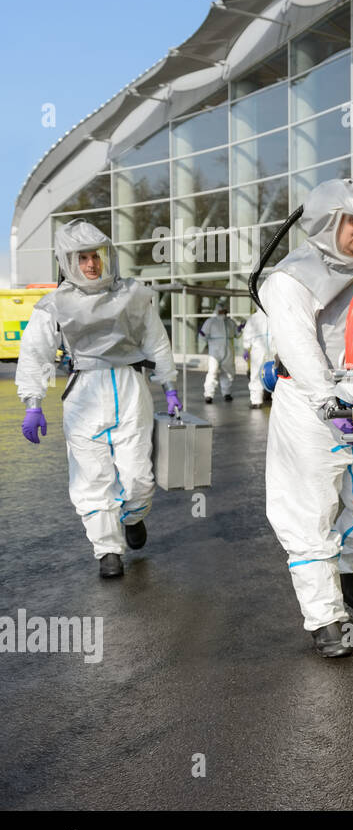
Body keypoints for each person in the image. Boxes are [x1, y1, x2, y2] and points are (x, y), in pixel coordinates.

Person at [261, 179, 353, 658]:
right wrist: (329, 404)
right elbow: (300, 349)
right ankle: (326, 619)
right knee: (307, 514)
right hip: (308, 405)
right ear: (325, 223)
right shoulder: (289, 279)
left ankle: (343, 566)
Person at [16, 220, 181, 579]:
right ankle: (107, 549)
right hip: (84, 391)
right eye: (82, 257)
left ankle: (133, 515)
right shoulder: (55, 305)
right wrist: (33, 403)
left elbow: (156, 341)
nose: (91, 264)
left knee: (139, 477)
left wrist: (169, 385)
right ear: (68, 261)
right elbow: (35, 353)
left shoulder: (134, 295)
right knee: (91, 477)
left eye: (96, 256)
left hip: (130, 387)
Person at [199, 302, 237, 403]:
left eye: (224, 311)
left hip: (228, 351)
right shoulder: (210, 322)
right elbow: (202, 336)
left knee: (228, 372)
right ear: (217, 311)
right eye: (221, 311)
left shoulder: (230, 322)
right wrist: (207, 341)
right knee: (212, 372)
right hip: (214, 352)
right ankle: (209, 394)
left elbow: (237, 333)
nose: (223, 313)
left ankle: (227, 393)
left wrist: (241, 328)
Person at [241, 308, 275, 409]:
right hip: (273, 349)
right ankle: (275, 399)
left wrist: (246, 348)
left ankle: (256, 401)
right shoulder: (273, 314)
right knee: (275, 374)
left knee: (256, 375)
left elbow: (247, 334)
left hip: (258, 350)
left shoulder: (253, 318)